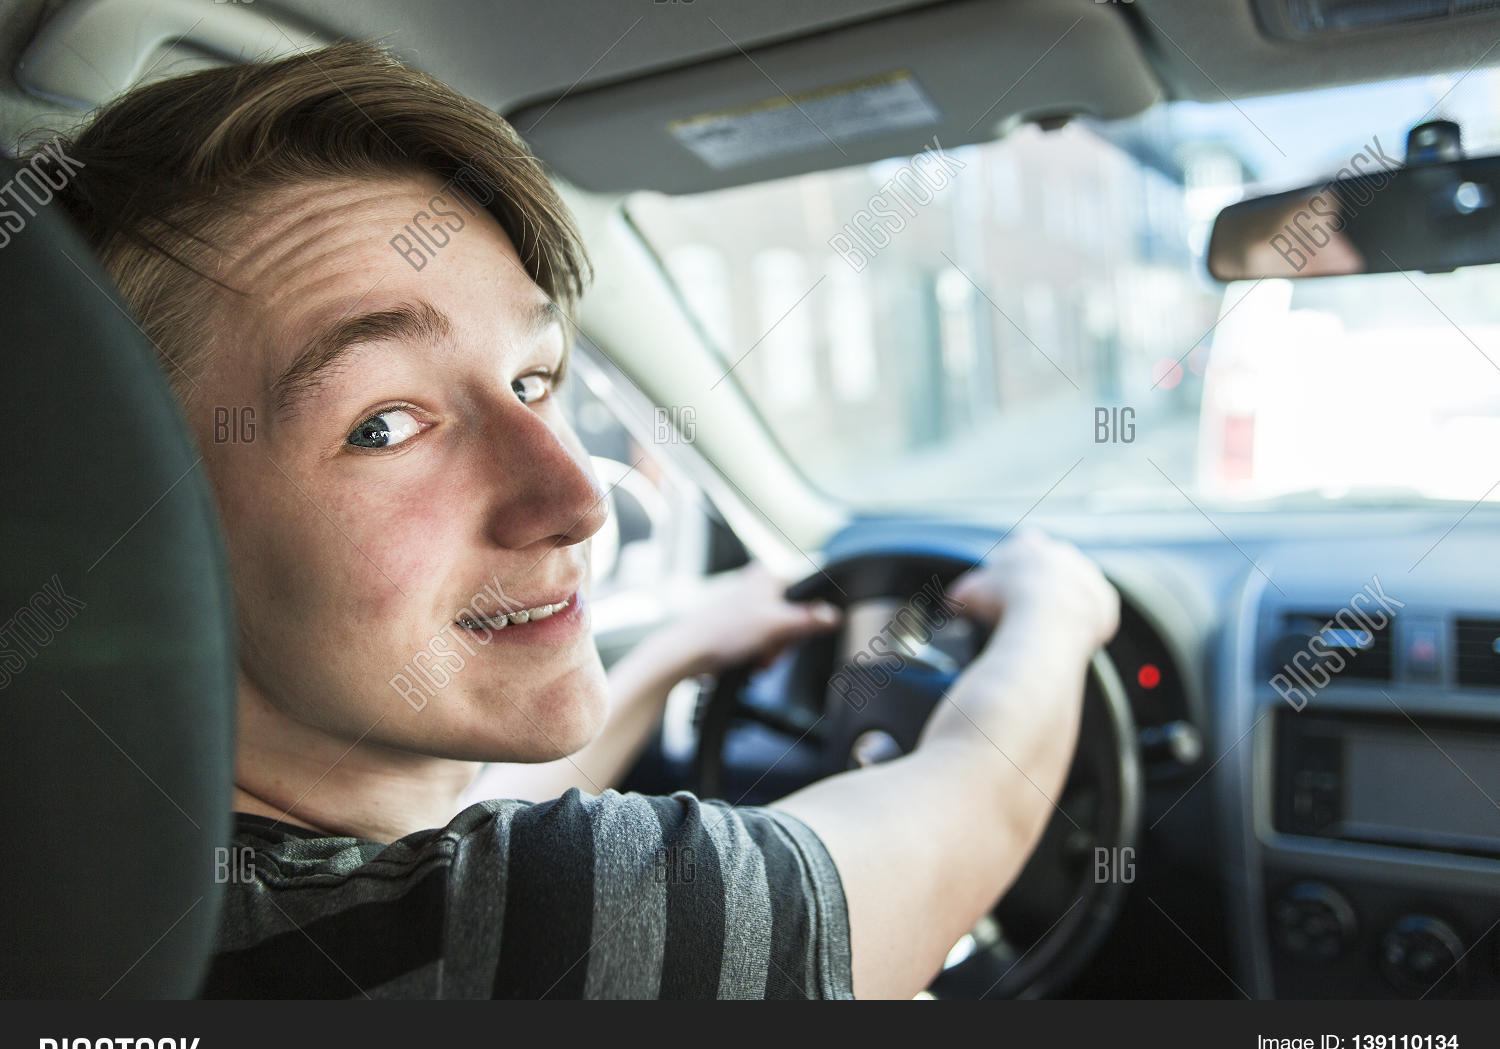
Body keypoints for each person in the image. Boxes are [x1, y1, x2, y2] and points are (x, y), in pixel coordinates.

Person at [34, 42, 1117, 999]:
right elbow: (964, 825)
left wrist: (670, 657)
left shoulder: (105, 900)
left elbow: (449, 881)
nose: (578, 497)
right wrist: (1057, 614)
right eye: (384, 425)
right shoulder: (538, 931)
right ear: (133, 523)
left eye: (537, 375)